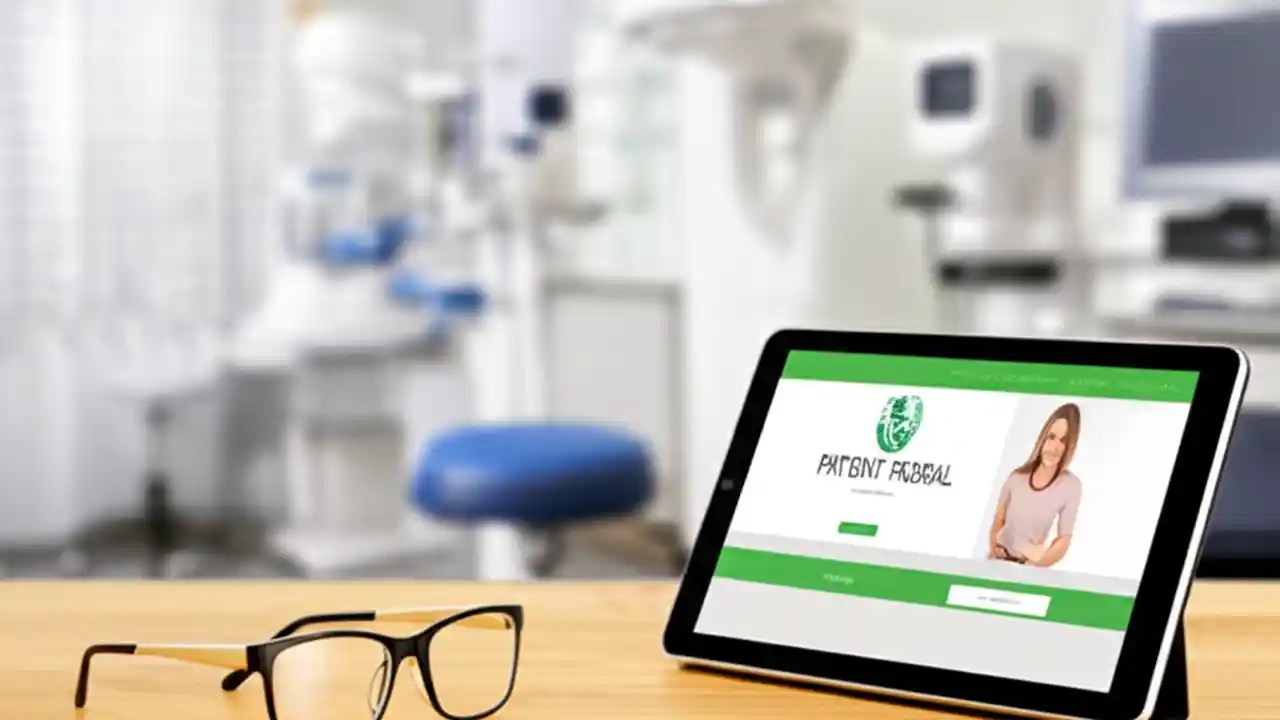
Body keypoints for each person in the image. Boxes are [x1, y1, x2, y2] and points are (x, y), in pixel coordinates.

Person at [987, 403, 1082, 567]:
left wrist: (1034, 565)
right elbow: (998, 520)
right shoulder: (1016, 477)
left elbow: (1064, 540)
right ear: (1043, 438)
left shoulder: (1070, 486)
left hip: (1027, 567)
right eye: (1051, 437)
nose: (1055, 448)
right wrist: (995, 550)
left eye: (1064, 441)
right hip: (997, 562)